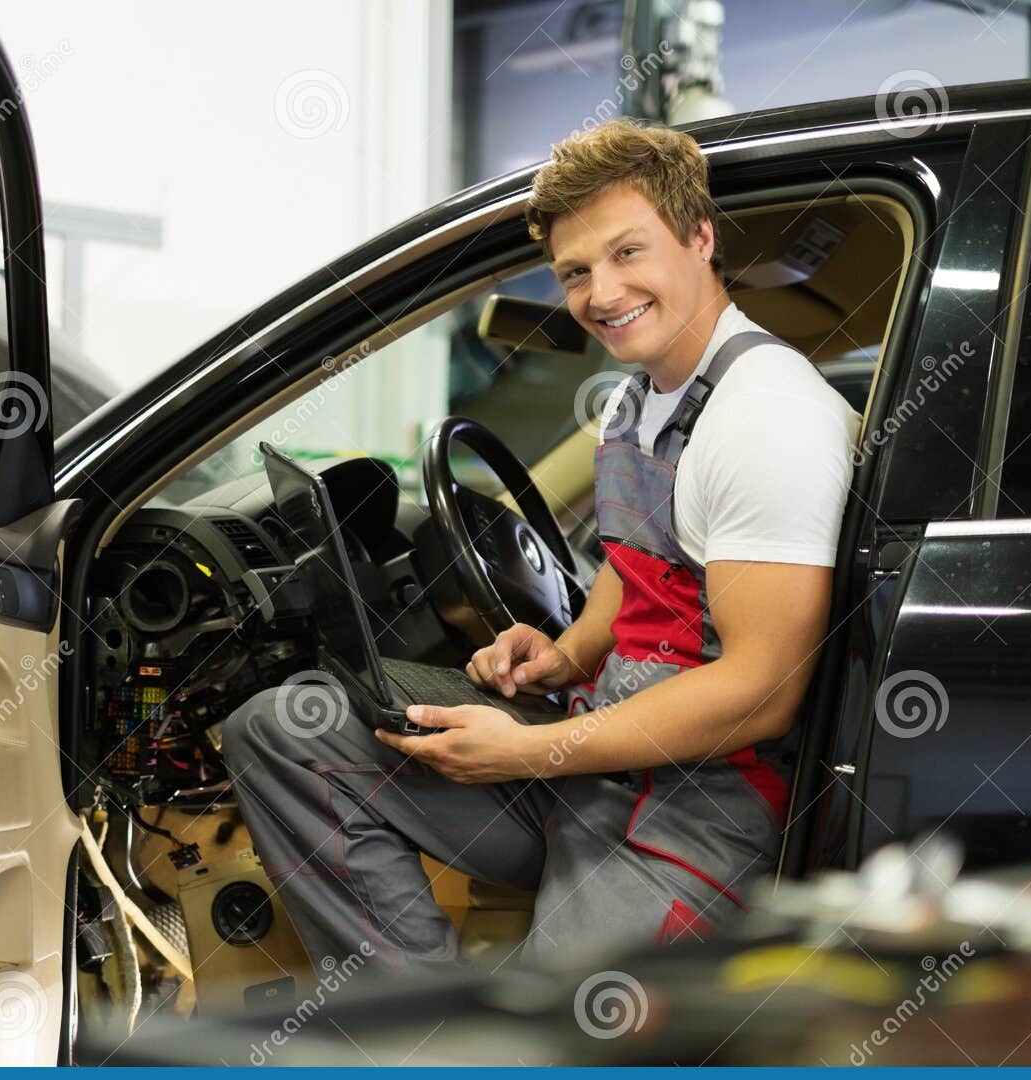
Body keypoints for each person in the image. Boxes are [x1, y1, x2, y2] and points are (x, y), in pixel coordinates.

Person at [224, 117, 861, 971]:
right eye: (575, 272)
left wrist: (526, 750)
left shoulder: (766, 414)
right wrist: (566, 654)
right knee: (283, 732)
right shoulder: (636, 400)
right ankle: (417, 1026)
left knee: (537, 1034)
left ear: (700, 237)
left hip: (698, 811)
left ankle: (479, 1042)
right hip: (595, 760)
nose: (601, 292)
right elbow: (640, 568)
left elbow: (761, 693)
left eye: (627, 252)